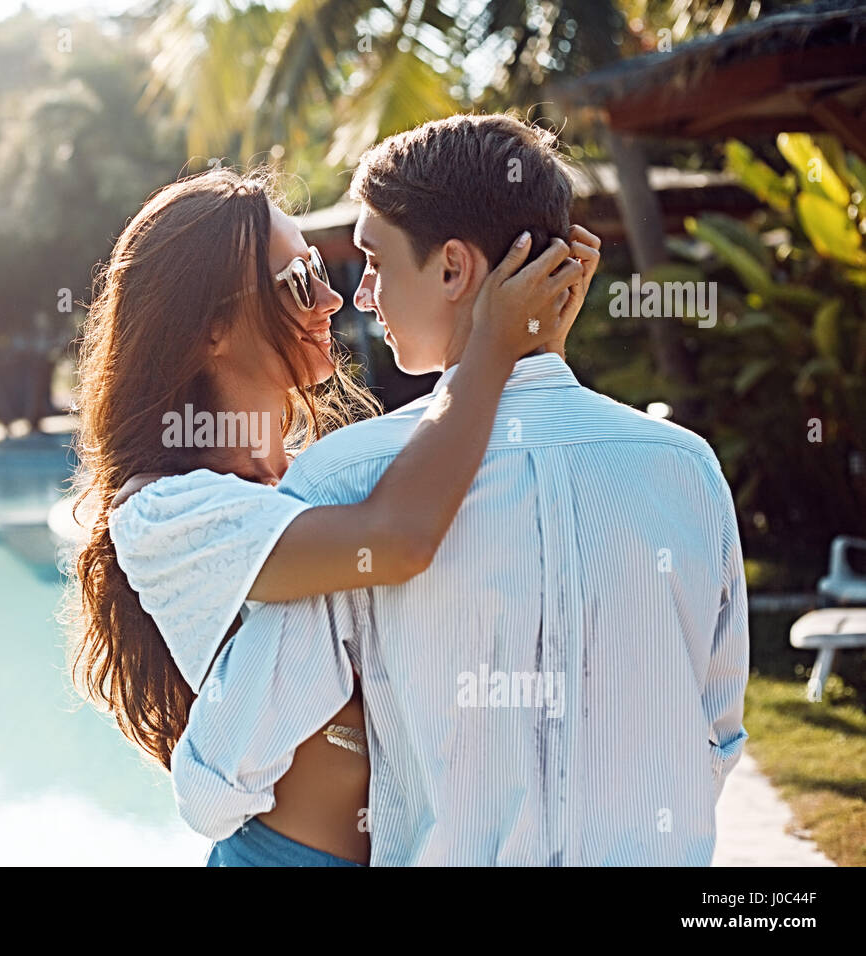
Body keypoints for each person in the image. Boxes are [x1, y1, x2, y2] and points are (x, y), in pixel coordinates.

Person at [170, 113, 750, 866]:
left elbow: (222, 780)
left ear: (451, 269)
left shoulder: (346, 480)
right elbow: (716, 732)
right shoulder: (685, 467)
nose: (364, 296)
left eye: (374, 263)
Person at [64, 157, 596, 865]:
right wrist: (494, 349)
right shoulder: (166, 513)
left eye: (318, 269)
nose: (329, 300)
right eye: (295, 282)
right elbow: (398, 540)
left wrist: (540, 348)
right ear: (209, 330)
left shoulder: (323, 471)